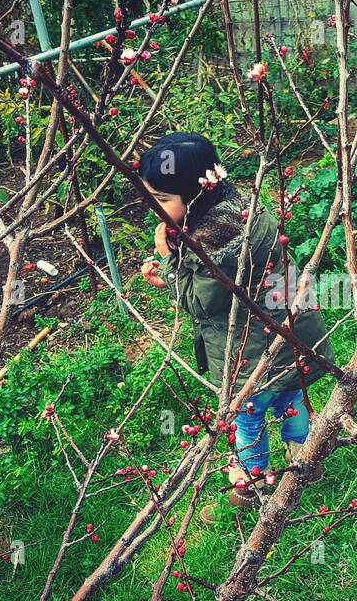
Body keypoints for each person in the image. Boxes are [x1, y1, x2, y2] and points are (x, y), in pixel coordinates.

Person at [137, 133, 334, 519]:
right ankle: (306, 465)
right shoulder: (239, 207)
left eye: (162, 200)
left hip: (252, 348)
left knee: (247, 414)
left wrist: (168, 261)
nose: (154, 208)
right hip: (290, 330)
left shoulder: (218, 243)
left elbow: (198, 302)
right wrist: (178, 262)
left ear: (195, 193)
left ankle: (251, 484)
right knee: (292, 400)